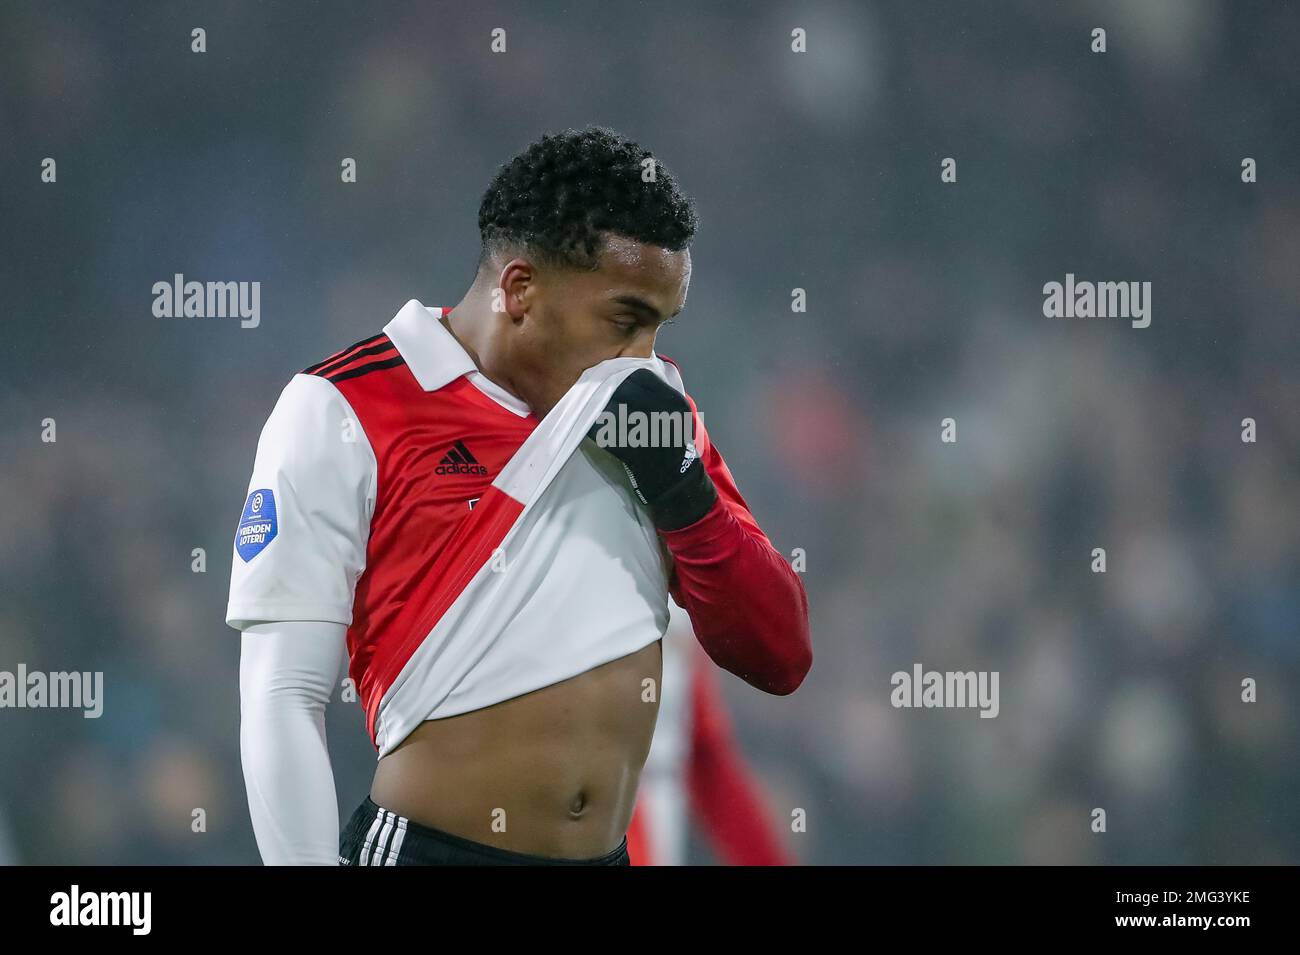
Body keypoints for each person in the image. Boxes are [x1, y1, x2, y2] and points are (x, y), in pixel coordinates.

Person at [230, 126, 811, 866]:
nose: (647, 357)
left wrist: (685, 493)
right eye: (627, 320)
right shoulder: (343, 407)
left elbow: (780, 654)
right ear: (519, 289)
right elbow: (283, 697)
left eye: (660, 329)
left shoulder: (657, 411)